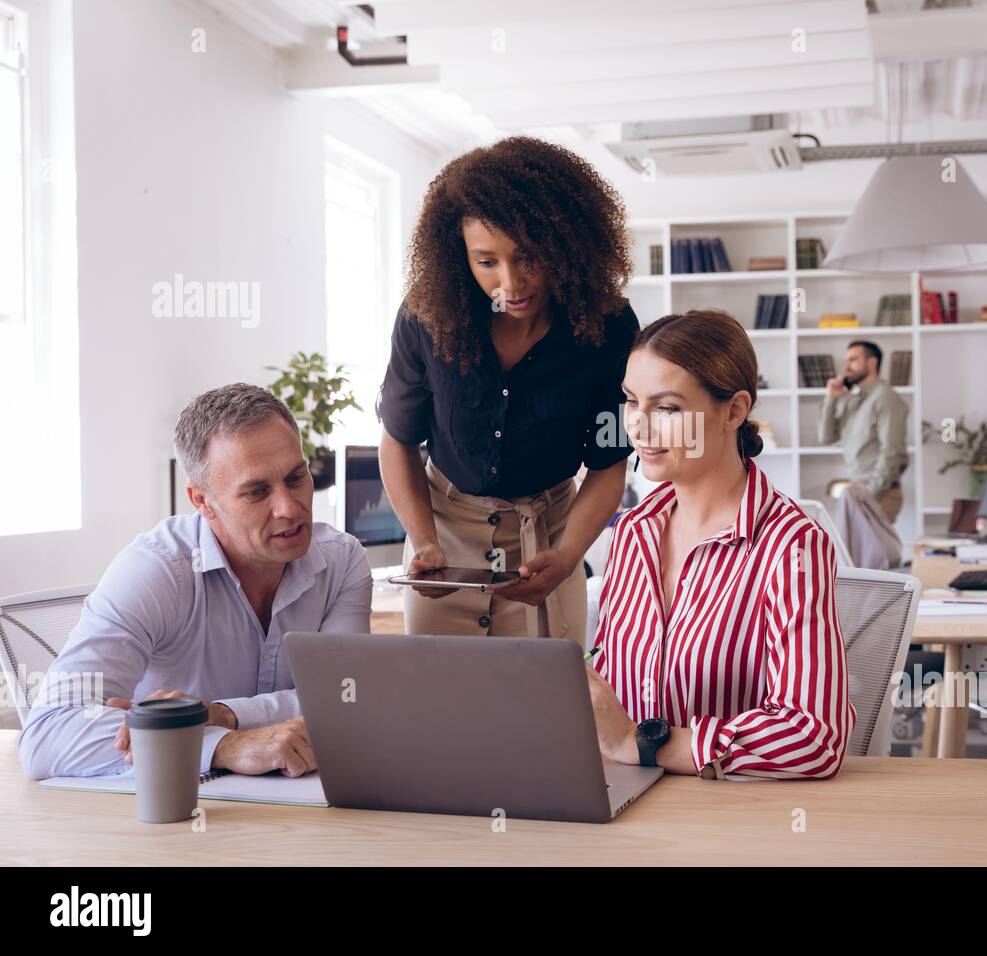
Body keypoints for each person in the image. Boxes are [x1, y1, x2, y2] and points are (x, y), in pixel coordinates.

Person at [18, 385, 373, 780]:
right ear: (201, 501)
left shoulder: (342, 560)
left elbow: (348, 696)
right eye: (257, 492)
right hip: (170, 818)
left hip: (298, 813)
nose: (289, 508)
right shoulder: (156, 570)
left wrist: (223, 715)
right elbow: (47, 733)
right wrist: (224, 745)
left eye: (295, 478)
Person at [378, 136, 636, 641]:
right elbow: (399, 440)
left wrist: (566, 559)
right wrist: (423, 540)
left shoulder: (609, 328)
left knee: (547, 710)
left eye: (528, 257)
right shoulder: (426, 318)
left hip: (549, 540)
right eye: (487, 261)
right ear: (459, 256)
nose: (511, 284)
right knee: (443, 708)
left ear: (565, 246)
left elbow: (608, 464)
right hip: (444, 540)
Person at [585, 309, 855, 780]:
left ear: (734, 410)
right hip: (619, 799)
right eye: (631, 402)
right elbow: (613, 693)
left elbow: (814, 736)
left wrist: (641, 743)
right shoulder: (632, 533)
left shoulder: (791, 546)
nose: (639, 427)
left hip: (729, 815)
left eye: (667, 408)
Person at [819, 340, 909, 523]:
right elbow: (826, 438)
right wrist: (831, 399)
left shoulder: (886, 397)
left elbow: (892, 450)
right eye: (846, 361)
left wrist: (870, 493)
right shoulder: (854, 400)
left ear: (872, 363)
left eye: (853, 360)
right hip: (859, 492)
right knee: (852, 552)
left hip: (878, 494)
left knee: (875, 553)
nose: (846, 366)